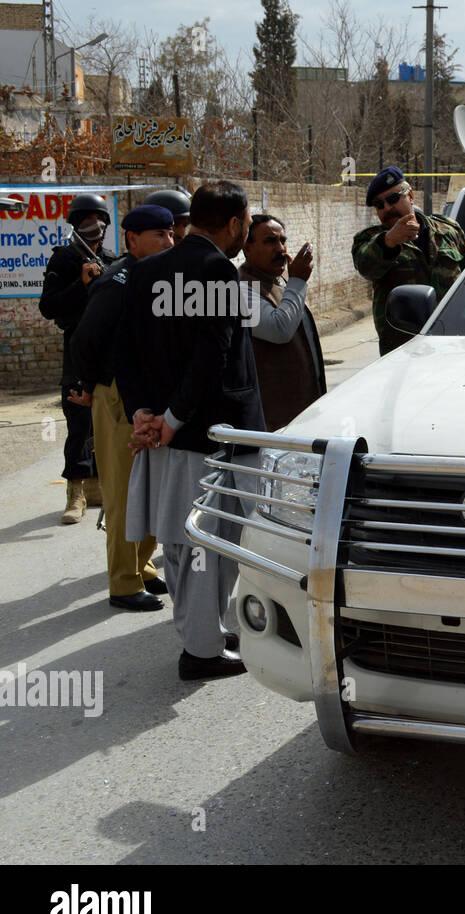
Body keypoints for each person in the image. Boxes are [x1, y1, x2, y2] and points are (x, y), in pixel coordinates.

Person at [115, 181, 263, 681]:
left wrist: (143, 415)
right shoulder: (217, 269)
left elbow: (125, 354)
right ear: (236, 222)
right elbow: (212, 354)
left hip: (163, 435)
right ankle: (201, 651)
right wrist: (174, 421)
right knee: (211, 542)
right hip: (207, 437)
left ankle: (201, 633)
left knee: (184, 544)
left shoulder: (146, 271)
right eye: (246, 224)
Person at [69, 204, 176, 612]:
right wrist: (98, 386)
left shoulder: (157, 275)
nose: (168, 241)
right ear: (132, 240)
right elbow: (85, 340)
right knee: (123, 490)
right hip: (117, 395)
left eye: (170, 234)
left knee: (149, 486)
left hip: (149, 394)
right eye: (159, 235)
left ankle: (143, 565)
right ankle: (123, 582)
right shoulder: (119, 281)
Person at [39, 192, 119, 523]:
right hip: (77, 350)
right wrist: (81, 284)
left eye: (98, 221)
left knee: (107, 421)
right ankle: (75, 491)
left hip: (109, 354)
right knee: (78, 421)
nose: (94, 227)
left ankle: (98, 485)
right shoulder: (64, 260)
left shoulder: (114, 261)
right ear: (75, 225)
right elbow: (49, 307)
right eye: (85, 222)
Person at [352, 166, 465, 355]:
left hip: (453, 342)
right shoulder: (370, 239)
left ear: (410, 195)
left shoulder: (448, 231)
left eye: (393, 199)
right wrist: (389, 241)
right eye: (379, 205)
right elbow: (366, 265)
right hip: (402, 349)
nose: (387, 209)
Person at [239, 213, 326, 430]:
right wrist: (297, 280)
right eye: (270, 241)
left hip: (301, 411)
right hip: (273, 420)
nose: (280, 249)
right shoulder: (241, 291)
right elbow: (279, 329)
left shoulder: (278, 282)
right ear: (247, 249)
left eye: (282, 240)